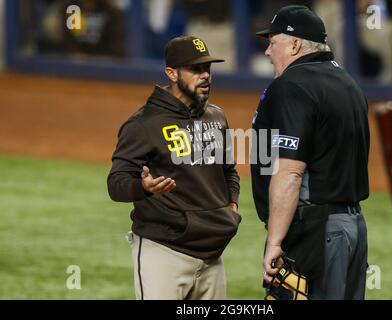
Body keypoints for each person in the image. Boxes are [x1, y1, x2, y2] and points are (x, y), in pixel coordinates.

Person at [107, 35, 241, 300]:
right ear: (171, 73)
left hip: (212, 254)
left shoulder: (216, 116)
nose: (205, 76)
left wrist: (231, 207)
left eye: (208, 69)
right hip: (164, 252)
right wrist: (142, 187)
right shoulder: (144, 124)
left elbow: (229, 171)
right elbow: (116, 184)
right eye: (196, 69)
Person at [251, 5, 370, 300]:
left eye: (272, 42)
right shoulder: (348, 83)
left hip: (317, 233)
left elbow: (290, 171)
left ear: (294, 45)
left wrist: (275, 240)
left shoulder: (293, 85)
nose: (267, 52)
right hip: (353, 229)